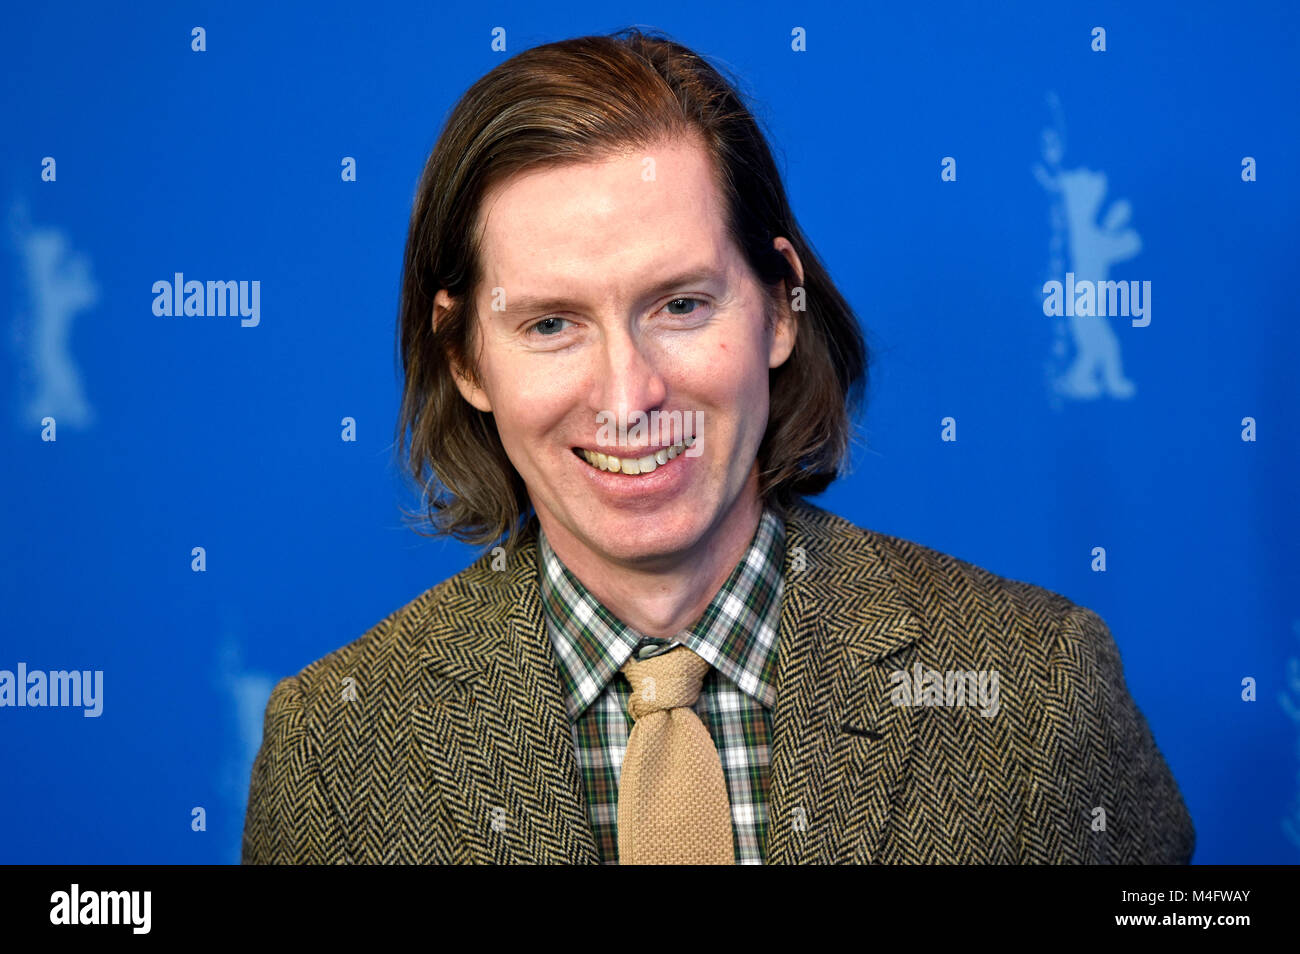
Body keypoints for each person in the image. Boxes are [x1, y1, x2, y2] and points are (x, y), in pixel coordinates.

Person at [242, 27, 1194, 864]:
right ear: (465, 359)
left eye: (682, 305)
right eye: (550, 325)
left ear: (782, 304)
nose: (629, 395)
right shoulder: (332, 755)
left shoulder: (1036, 696)